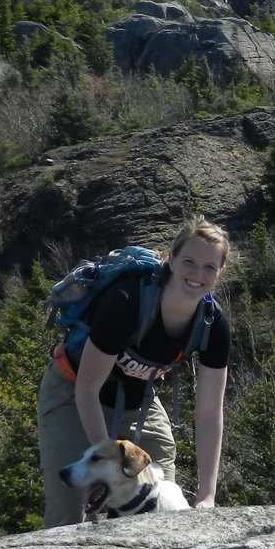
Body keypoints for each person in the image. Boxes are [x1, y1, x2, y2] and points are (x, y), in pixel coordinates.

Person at [37, 218, 232, 527]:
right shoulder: (127, 302)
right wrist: (104, 469)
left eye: (209, 267)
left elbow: (209, 413)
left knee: (164, 504)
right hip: (73, 396)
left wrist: (207, 495)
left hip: (137, 399)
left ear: (220, 273)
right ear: (171, 259)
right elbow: (87, 388)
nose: (198, 274)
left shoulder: (213, 324)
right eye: (189, 261)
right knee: (68, 517)